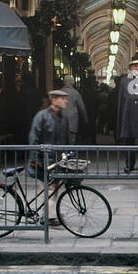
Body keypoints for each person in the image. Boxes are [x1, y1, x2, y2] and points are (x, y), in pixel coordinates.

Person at [28, 88, 70, 222]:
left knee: (54, 189)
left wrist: (69, 154)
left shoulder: (63, 117)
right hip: (43, 160)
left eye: (66, 98)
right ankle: (49, 218)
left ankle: (48, 214)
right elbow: (34, 137)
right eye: (62, 99)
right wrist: (35, 159)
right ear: (53, 99)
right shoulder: (42, 116)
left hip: (56, 160)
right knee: (50, 189)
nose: (66, 101)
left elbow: (66, 138)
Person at [56, 75, 88, 144]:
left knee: (61, 140)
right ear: (72, 82)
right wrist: (85, 118)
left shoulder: (59, 92)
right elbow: (81, 107)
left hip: (61, 119)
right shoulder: (75, 93)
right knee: (71, 139)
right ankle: (70, 152)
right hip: (72, 120)